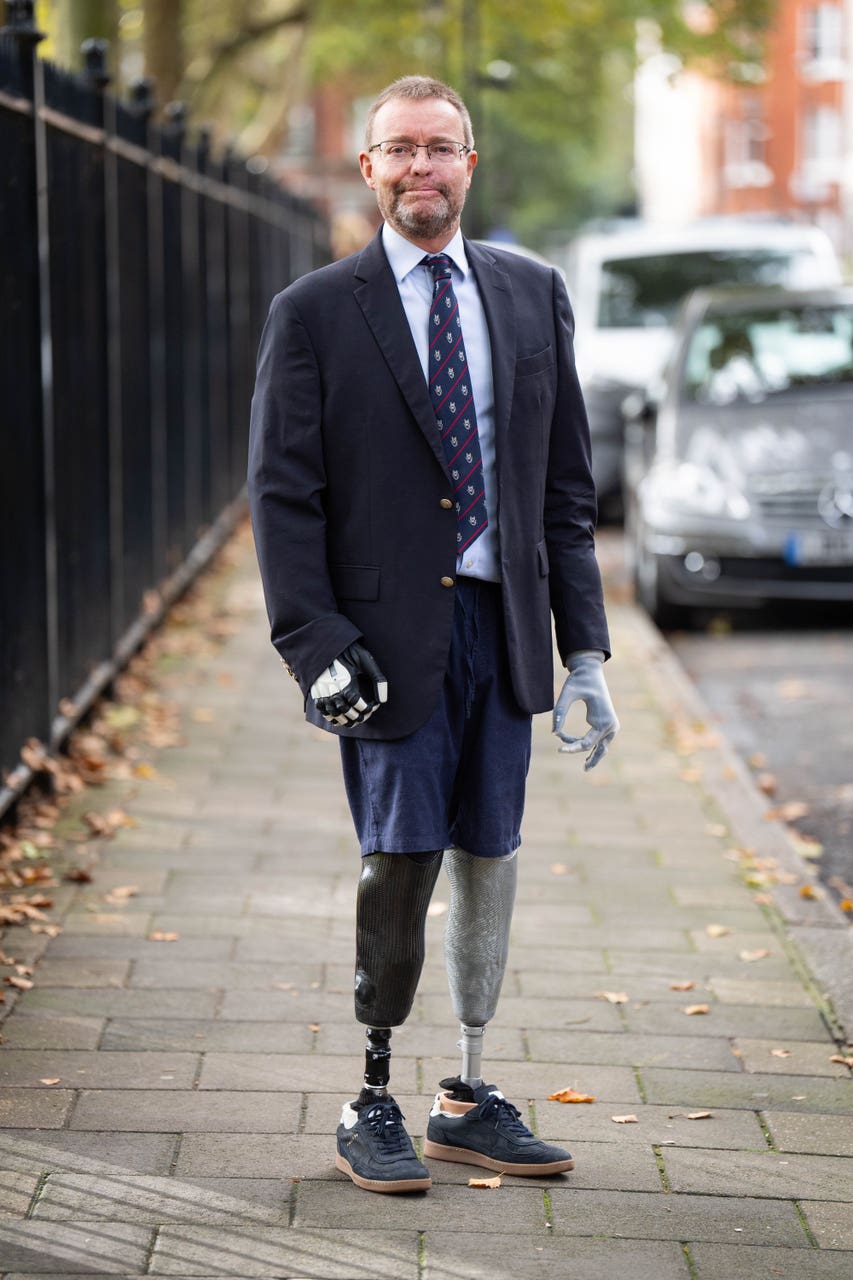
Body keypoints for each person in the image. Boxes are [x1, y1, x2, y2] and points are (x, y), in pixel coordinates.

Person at [248, 74, 619, 1195]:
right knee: (398, 865)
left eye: (441, 147)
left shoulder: (530, 291)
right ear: (368, 169)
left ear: (471, 162)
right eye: (399, 148)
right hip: (381, 645)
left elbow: (563, 488)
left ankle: (465, 1095)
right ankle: (371, 1096)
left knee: (489, 863)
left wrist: (585, 651)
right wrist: (313, 642)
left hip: (500, 632)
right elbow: (282, 493)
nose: (422, 167)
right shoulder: (314, 310)